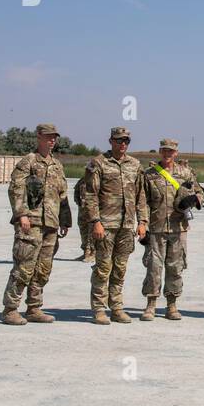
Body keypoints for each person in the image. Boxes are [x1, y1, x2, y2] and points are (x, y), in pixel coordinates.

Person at [0, 123, 70, 326]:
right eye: (48, 137)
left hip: (51, 224)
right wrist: (21, 214)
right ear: (38, 137)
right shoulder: (28, 162)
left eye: (54, 137)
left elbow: (62, 194)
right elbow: (16, 189)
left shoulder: (57, 165)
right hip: (31, 223)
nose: (52, 140)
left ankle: (34, 308)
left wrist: (64, 220)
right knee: (24, 267)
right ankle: (10, 309)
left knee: (43, 269)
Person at [83, 127, 145, 325]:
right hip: (105, 225)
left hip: (126, 225)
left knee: (120, 268)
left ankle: (117, 307)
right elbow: (90, 195)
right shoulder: (98, 163)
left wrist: (142, 221)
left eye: (126, 141)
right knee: (103, 268)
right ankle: (99, 309)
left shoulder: (135, 165)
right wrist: (95, 222)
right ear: (111, 141)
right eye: (119, 140)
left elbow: (140, 196)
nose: (123, 144)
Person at [139, 139, 202, 321]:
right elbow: (143, 201)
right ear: (160, 151)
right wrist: (142, 223)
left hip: (178, 228)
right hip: (156, 227)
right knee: (153, 267)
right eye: (165, 151)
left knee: (176, 267)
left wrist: (195, 200)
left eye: (171, 151)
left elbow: (199, 193)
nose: (168, 154)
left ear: (176, 153)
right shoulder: (149, 175)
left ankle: (171, 305)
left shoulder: (185, 173)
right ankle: (151, 305)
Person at [73, 174, 94, 263]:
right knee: (83, 231)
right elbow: (76, 191)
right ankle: (85, 251)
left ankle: (92, 253)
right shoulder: (82, 180)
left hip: (93, 211)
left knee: (92, 232)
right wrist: (79, 203)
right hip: (82, 210)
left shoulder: (97, 180)